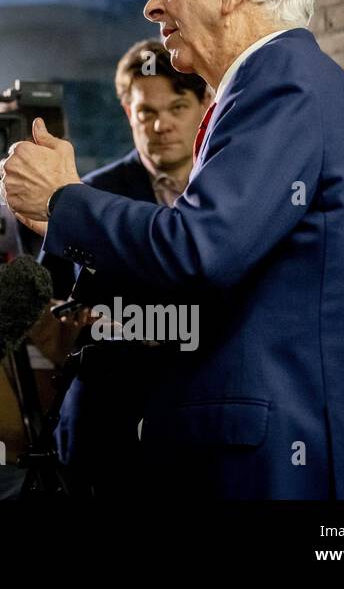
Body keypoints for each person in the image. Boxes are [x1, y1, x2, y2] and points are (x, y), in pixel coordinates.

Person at [3, 0, 344, 499]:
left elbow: (199, 250)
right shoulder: (278, 84)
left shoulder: (282, 83)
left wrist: (66, 200)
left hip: (280, 467)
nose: (152, 4)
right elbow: (219, 276)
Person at [54, 39, 210, 497]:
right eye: (146, 112)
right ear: (128, 113)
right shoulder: (88, 199)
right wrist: (84, 321)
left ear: (204, 104)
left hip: (203, 426)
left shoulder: (229, 192)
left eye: (177, 107)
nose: (161, 125)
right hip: (106, 432)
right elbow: (50, 304)